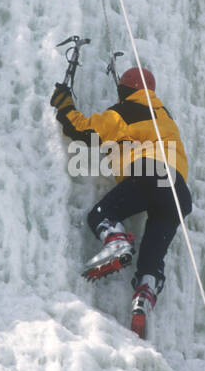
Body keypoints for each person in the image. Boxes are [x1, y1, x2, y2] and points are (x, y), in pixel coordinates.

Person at [50, 66, 192, 335]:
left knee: (100, 215)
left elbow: (82, 131)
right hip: (177, 192)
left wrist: (65, 105)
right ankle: (144, 294)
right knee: (152, 258)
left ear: (126, 92)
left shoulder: (127, 111)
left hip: (151, 174)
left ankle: (115, 240)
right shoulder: (164, 115)